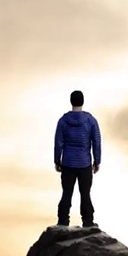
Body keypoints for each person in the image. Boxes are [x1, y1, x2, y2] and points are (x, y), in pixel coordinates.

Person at [53, 90, 101, 227]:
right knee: (85, 194)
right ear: (83, 101)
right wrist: (97, 161)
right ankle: (88, 221)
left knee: (66, 193)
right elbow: (96, 142)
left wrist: (57, 160)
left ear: (71, 101)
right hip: (84, 163)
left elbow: (58, 142)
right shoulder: (90, 121)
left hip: (67, 163)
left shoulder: (63, 121)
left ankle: (62, 221)